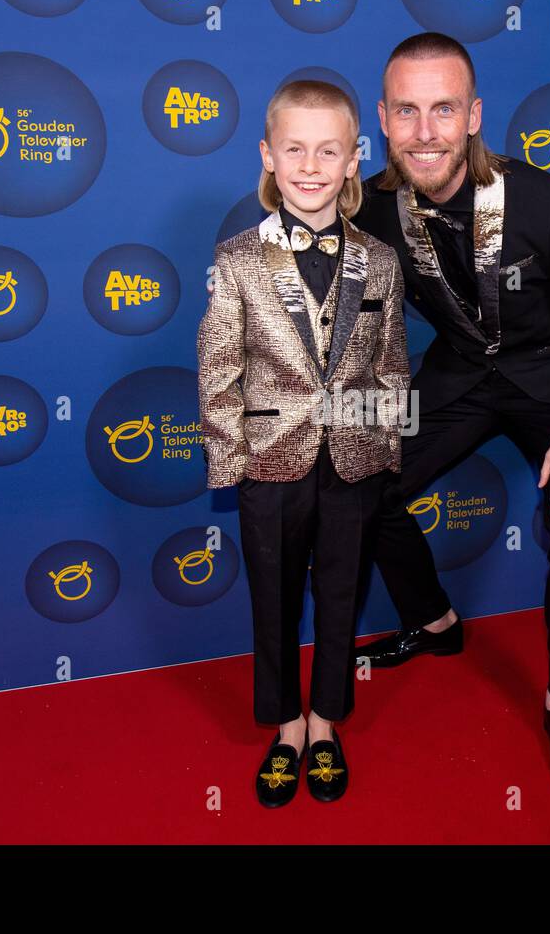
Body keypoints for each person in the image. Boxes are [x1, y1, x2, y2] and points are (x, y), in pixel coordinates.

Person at [351, 33, 550, 800]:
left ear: (474, 114)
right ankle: (438, 625)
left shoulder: (541, 201)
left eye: (443, 109)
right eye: (407, 111)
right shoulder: (377, 208)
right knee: (365, 486)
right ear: (382, 120)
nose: (426, 131)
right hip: (460, 375)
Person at [197, 80, 409, 807]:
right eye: (295, 149)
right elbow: (219, 368)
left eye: (329, 150)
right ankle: (286, 724)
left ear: (356, 159)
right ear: (268, 155)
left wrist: (390, 452)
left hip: (354, 463)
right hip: (270, 463)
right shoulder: (236, 259)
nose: (311, 166)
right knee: (275, 600)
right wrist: (233, 466)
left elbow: (392, 364)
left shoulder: (380, 261)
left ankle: (327, 720)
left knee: (342, 598)